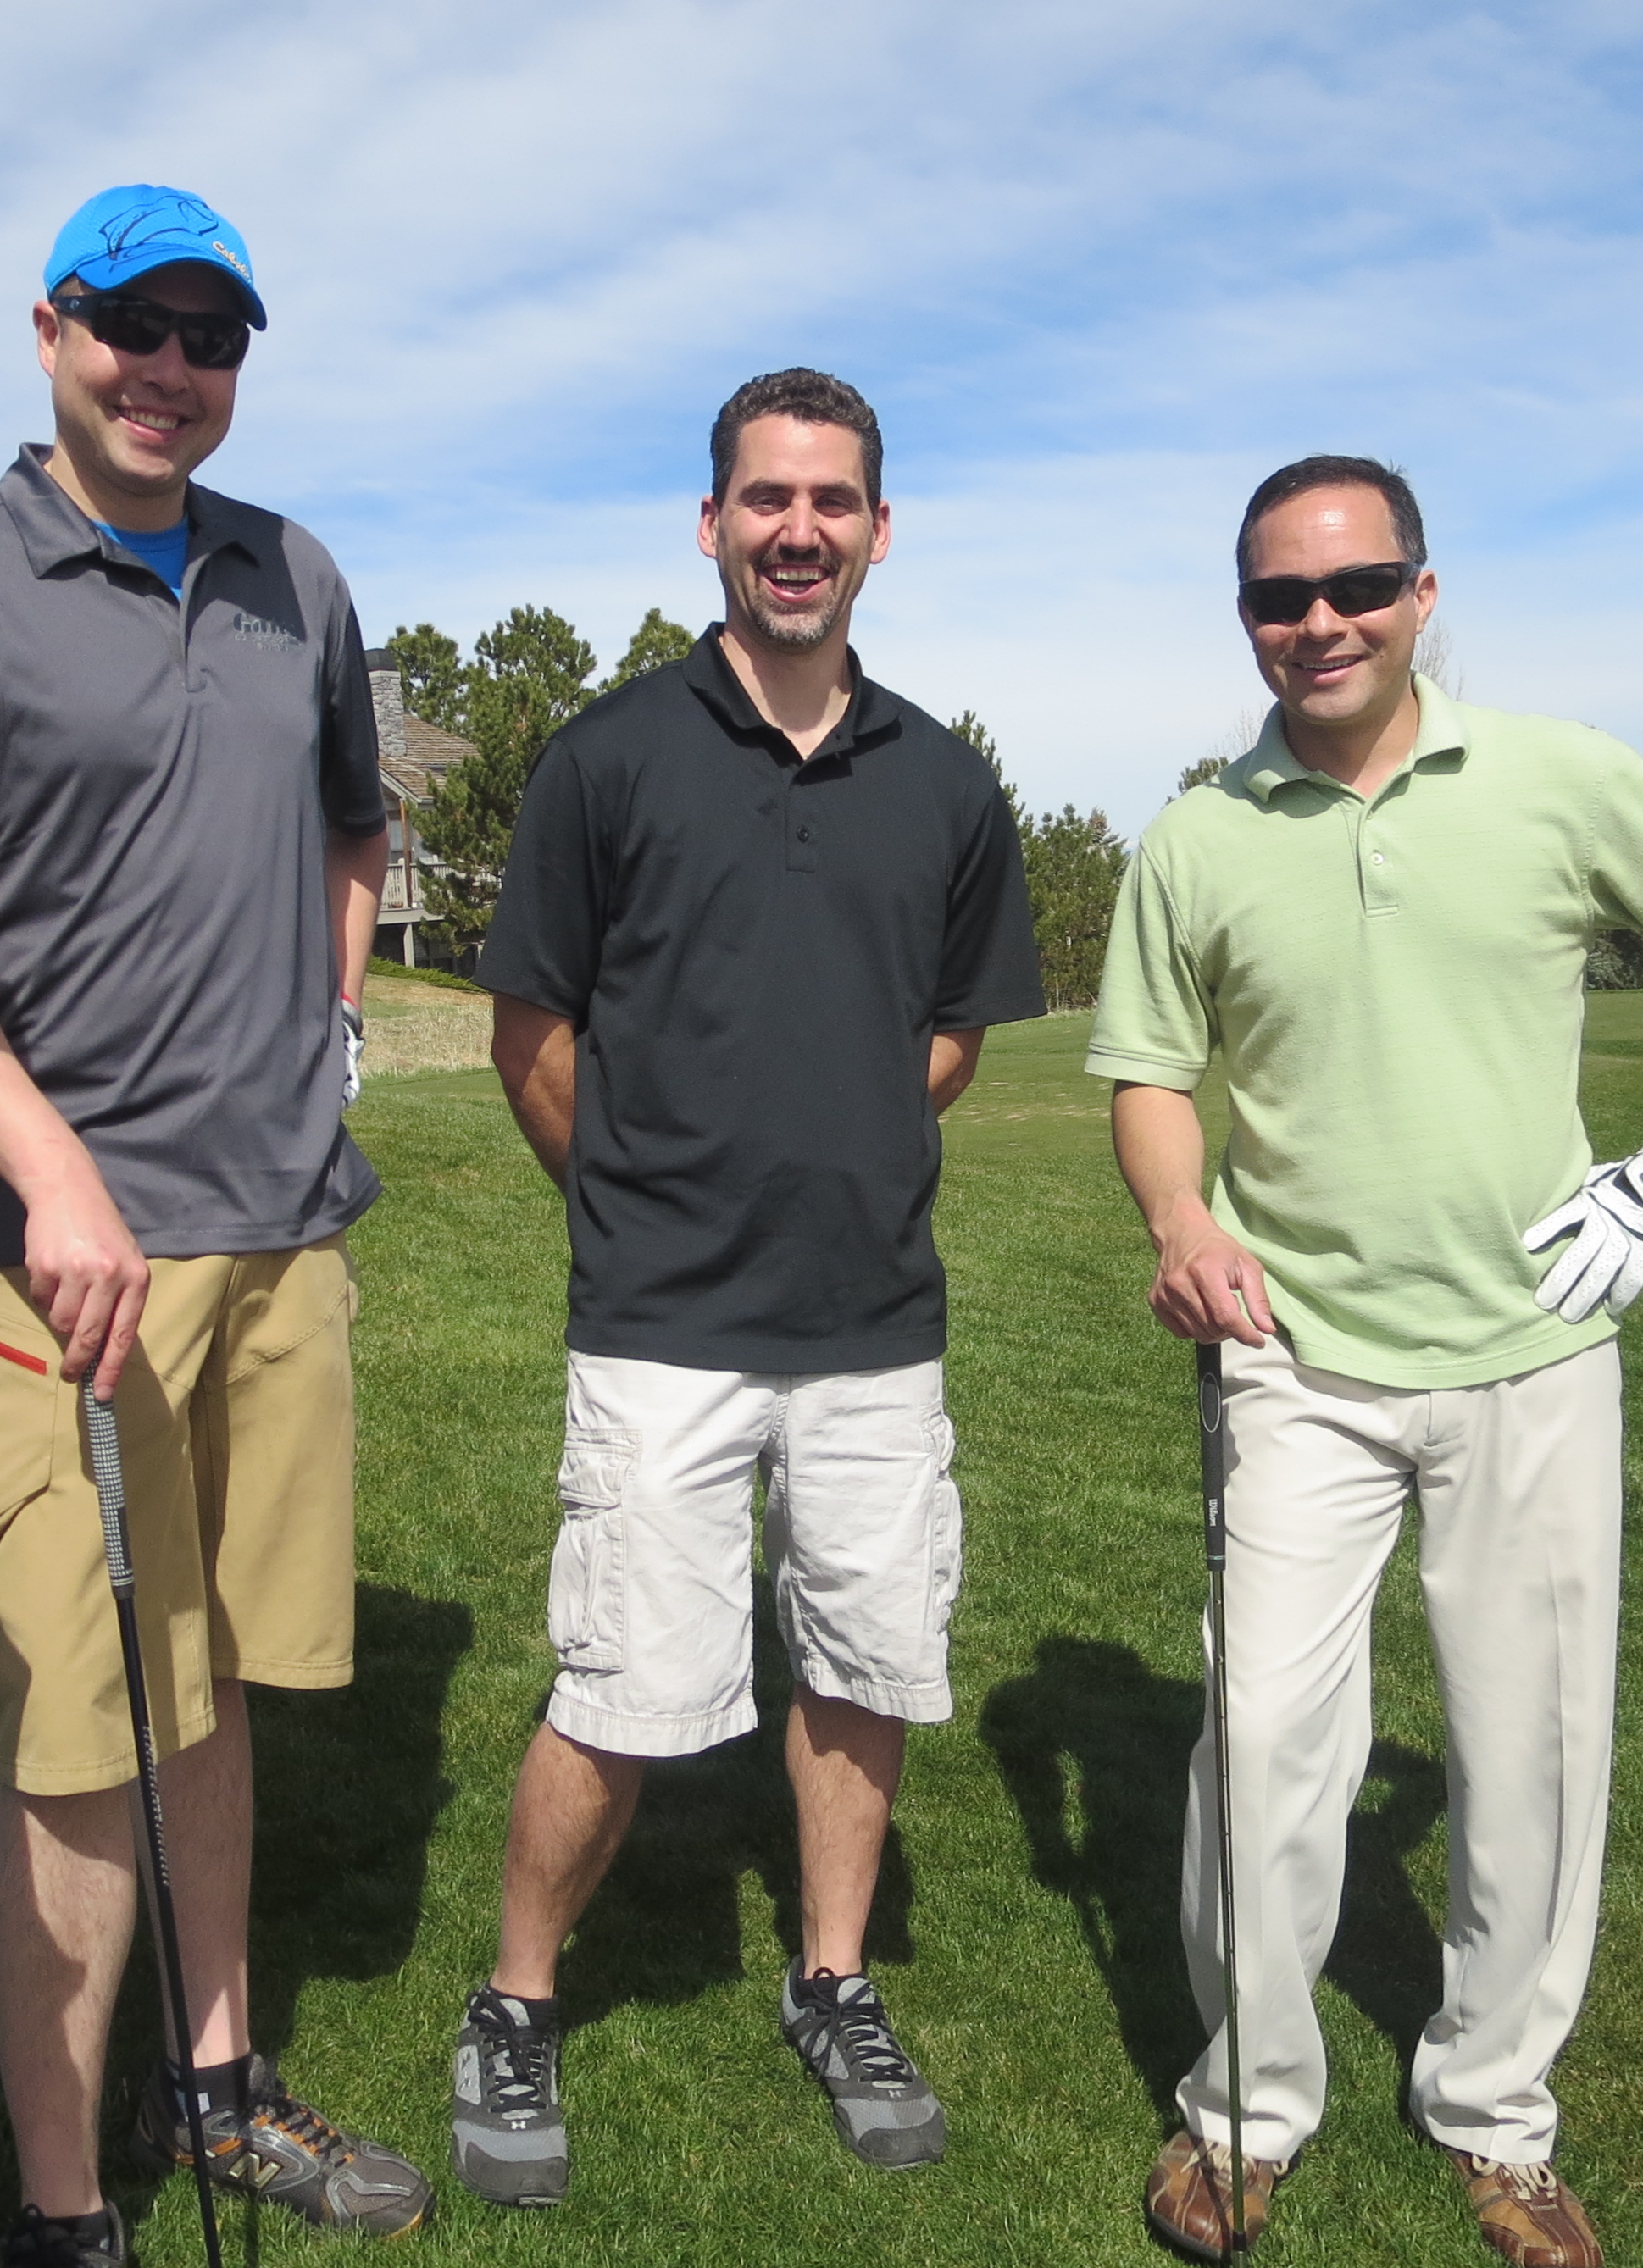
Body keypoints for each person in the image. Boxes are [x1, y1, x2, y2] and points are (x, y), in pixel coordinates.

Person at [1092, 457, 1643, 2266]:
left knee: (1529, 1754)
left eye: (1355, 587)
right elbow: (1148, 1074)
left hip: (1532, 1351)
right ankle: (1244, 2116)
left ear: (1422, 594)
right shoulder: (1193, 835)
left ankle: (1495, 2118)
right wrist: (1181, 1226)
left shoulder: (1557, 775)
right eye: (1279, 598)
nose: (1316, 624)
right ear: (1243, 616)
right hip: (1295, 1360)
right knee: (1261, 1744)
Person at [0, 185, 424, 2268]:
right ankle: (66, 2208)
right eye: (129, 326)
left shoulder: (293, 575)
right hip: (53, 1265)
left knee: (212, 1689)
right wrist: (45, 1163)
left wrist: (328, 1026)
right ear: (48, 329)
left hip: (275, 1240)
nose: (171, 368)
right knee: (77, 1742)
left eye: (212, 336)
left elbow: (355, 825)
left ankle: (222, 2081)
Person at [443, 368, 1045, 2209]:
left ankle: (832, 1981)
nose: (800, 529)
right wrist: (639, 1199)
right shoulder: (608, 757)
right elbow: (528, 1032)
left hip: (871, 1325)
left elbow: (944, 1038)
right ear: (708, 522)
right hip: (661, 1325)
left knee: (860, 1669)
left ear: (878, 531)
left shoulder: (942, 781)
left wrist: (837, 1137)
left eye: (833, 501)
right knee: (624, 1683)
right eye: (765, 497)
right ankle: (516, 2002)